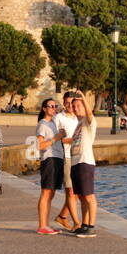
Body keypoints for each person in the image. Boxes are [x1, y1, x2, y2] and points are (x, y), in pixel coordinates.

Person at [63, 94, 98, 237]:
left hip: (85, 162)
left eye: (79, 106)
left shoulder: (89, 122)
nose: (75, 108)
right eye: (74, 106)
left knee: (89, 197)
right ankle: (84, 224)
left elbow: (89, 113)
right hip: (76, 163)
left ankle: (91, 226)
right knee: (82, 197)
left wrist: (83, 97)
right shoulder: (78, 124)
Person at [35, 99, 66, 234]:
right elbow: (39, 145)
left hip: (57, 158)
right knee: (46, 192)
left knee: (51, 193)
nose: (54, 108)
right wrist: (56, 138)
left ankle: (45, 224)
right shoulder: (43, 124)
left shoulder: (52, 123)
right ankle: (42, 225)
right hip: (49, 159)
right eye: (51, 106)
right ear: (44, 109)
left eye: (55, 106)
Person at [53, 91, 81, 231]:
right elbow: (57, 138)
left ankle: (62, 217)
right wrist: (73, 140)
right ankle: (77, 223)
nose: (70, 105)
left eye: (72, 103)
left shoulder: (78, 118)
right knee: (70, 191)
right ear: (64, 103)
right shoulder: (59, 118)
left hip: (78, 157)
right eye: (68, 103)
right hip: (66, 157)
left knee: (76, 192)